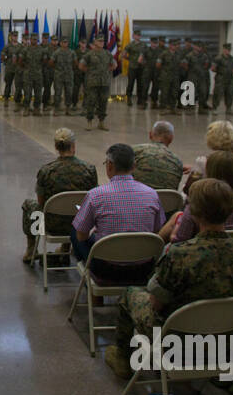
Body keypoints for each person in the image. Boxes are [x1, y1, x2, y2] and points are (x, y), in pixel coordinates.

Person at [103, 179, 233, 379]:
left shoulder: (179, 255)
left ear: (193, 213)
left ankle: (122, 358)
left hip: (177, 340)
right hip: (225, 341)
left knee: (129, 295)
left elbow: (156, 303)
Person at [70, 143, 164, 284]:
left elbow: (81, 236)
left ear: (109, 165)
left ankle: (95, 291)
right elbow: (157, 230)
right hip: (143, 268)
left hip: (106, 268)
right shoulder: (152, 194)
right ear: (134, 166)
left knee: (75, 231)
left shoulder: (95, 195)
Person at [21, 127, 98, 263]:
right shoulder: (89, 170)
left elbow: (41, 202)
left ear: (56, 147)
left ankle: (31, 249)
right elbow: (93, 199)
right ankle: (65, 248)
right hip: (79, 225)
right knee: (75, 209)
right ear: (73, 146)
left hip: (50, 224)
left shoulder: (46, 171)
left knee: (29, 206)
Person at [161, 150, 233, 244]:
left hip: (197, 254)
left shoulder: (199, 205)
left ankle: (153, 247)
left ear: (209, 172)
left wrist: (174, 234)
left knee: (177, 217)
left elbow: (180, 241)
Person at [131, 121, 183, 191]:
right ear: (171, 138)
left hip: (137, 199)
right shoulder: (177, 162)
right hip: (165, 201)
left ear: (150, 135)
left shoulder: (134, 150)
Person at [78, 36, 111, 130]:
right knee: (91, 102)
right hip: (92, 83)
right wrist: (90, 72)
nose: (102, 42)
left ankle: (101, 122)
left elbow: (114, 64)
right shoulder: (89, 54)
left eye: (103, 41)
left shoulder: (107, 53)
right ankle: (89, 122)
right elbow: (81, 65)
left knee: (103, 102)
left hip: (104, 82)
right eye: (100, 41)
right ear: (95, 42)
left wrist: (106, 71)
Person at [2, 30, 21, 107]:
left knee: (18, 85)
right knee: (8, 85)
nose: (15, 37)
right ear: (11, 37)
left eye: (16, 36)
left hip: (18, 68)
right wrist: (6, 62)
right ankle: (6, 99)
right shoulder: (7, 46)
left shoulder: (20, 46)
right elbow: (2, 56)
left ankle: (17, 101)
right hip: (9, 68)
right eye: (14, 36)